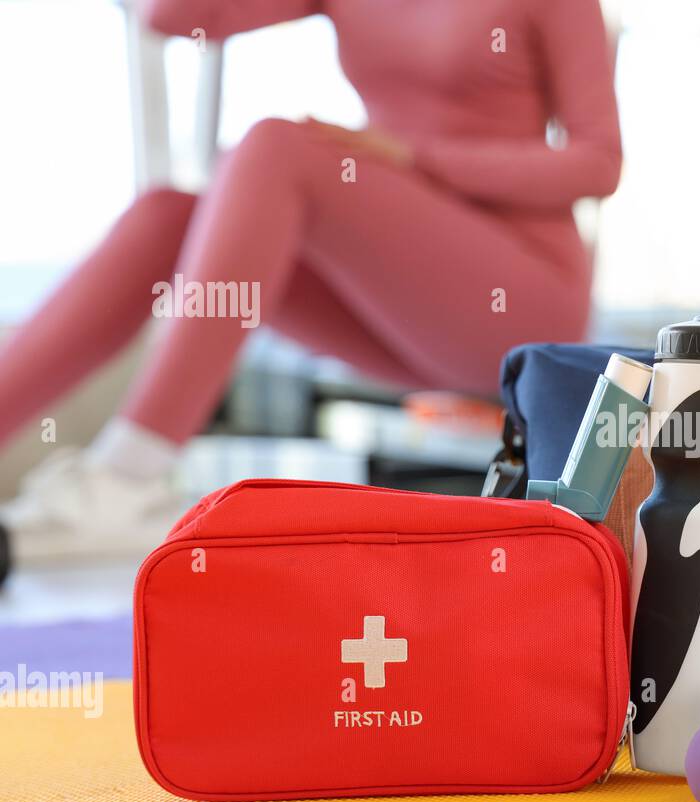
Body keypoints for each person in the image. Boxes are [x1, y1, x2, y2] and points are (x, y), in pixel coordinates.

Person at [0, 0, 621, 569]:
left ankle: (126, 479)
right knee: (167, 215)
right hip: (402, 293)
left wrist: (414, 157)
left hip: (521, 293)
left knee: (277, 145)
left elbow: (598, 162)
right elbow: (171, 18)